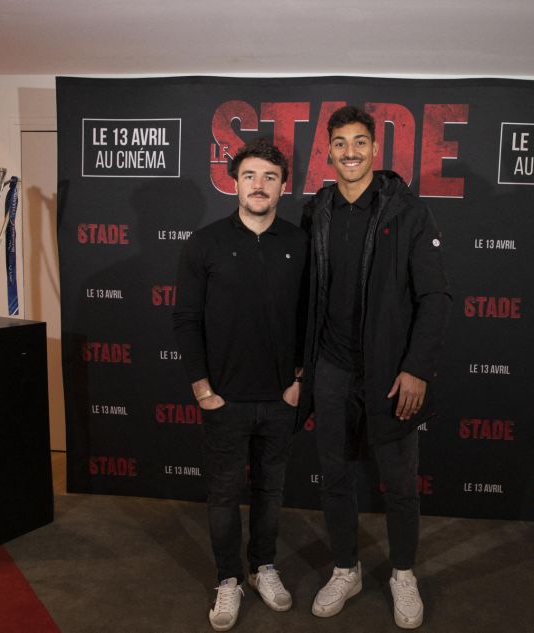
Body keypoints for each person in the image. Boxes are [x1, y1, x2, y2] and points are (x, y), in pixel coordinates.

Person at [299, 105, 451, 629]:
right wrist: (302, 368)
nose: (350, 152)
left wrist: (417, 369)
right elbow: (306, 296)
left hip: (391, 373)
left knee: (400, 483)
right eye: (340, 143)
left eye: (359, 142)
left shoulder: (408, 211)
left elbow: (434, 296)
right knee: (335, 477)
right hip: (331, 368)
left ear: (374, 148)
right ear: (328, 151)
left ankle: (403, 574)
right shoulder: (316, 211)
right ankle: (346, 569)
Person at [173, 138, 307, 631]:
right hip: (223, 400)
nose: (259, 185)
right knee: (224, 495)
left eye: (270, 177)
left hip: (281, 399)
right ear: (234, 183)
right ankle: (228, 578)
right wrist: (202, 388)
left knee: (270, 492)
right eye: (250, 175)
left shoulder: (300, 243)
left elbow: (311, 318)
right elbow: (186, 318)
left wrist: (299, 380)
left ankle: (263, 567)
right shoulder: (204, 243)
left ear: (283, 186)